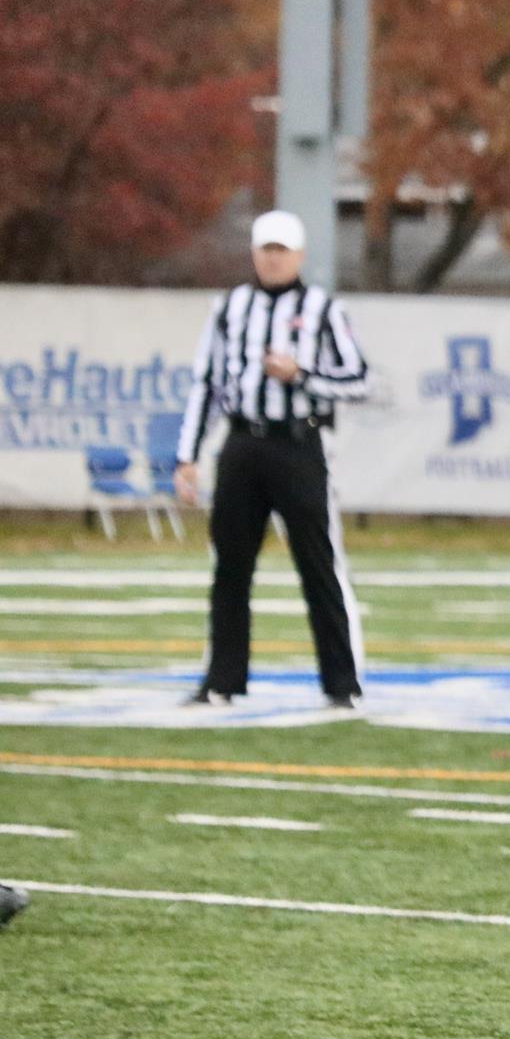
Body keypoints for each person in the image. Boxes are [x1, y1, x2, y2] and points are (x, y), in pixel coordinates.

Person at [174, 209, 371, 709]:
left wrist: (301, 374)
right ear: (254, 253)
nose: (273, 259)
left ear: (299, 255)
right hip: (242, 445)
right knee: (230, 568)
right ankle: (222, 681)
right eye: (266, 249)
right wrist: (187, 454)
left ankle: (342, 684)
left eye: (282, 250)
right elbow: (206, 382)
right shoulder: (230, 308)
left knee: (318, 566)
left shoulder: (323, 308)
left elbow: (359, 379)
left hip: (298, 444)